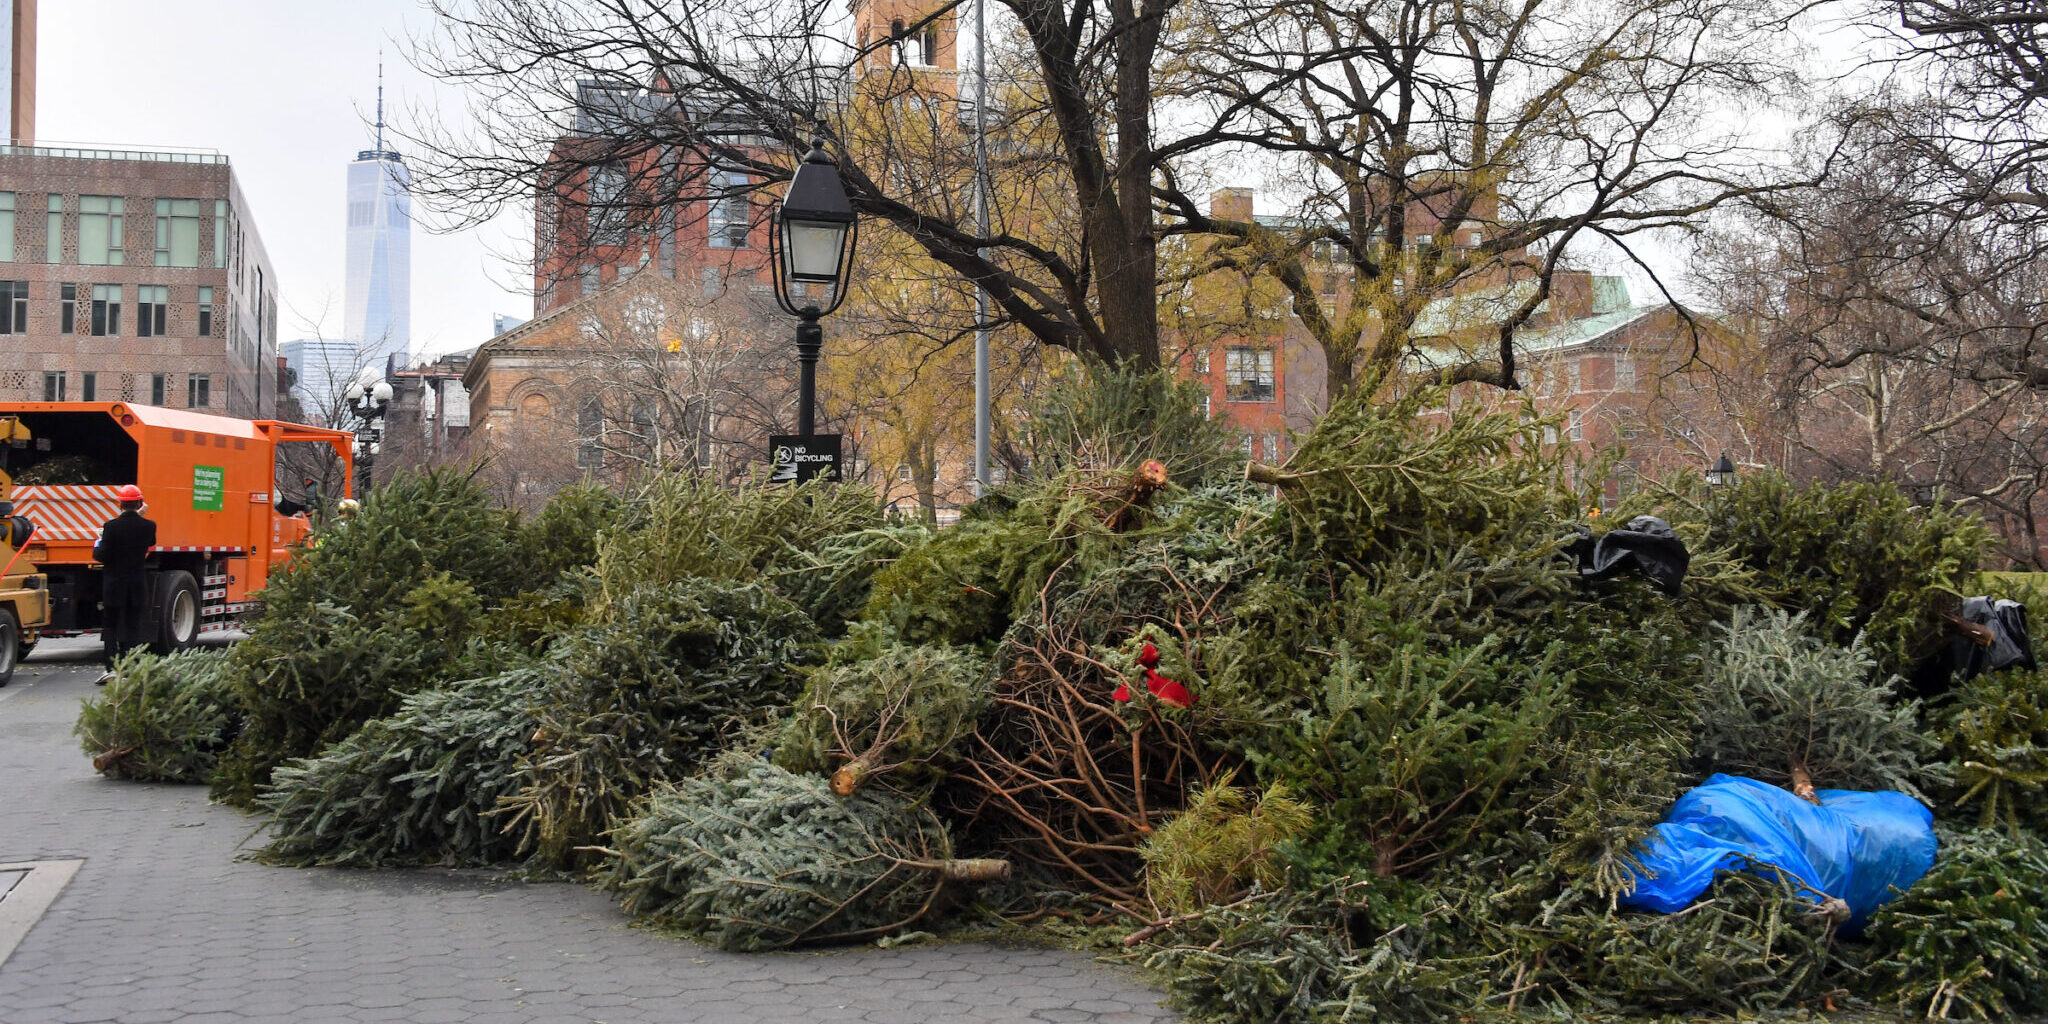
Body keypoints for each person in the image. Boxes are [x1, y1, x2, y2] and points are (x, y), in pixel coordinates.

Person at [93, 484, 156, 683]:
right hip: (137, 585)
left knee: (110, 625)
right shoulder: (149, 526)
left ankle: (111, 668)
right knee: (133, 626)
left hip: (114, 586)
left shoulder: (111, 526)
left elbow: (101, 555)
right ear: (139, 502)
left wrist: (98, 542)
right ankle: (130, 668)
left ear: (119, 504)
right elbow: (149, 544)